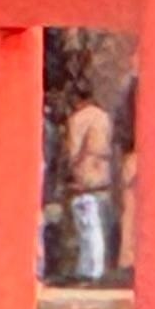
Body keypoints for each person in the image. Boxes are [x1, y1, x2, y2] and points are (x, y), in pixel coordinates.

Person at [57, 81, 116, 285]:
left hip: (86, 171)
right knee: (100, 225)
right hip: (104, 169)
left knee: (88, 227)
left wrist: (68, 170)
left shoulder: (78, 119)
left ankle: (90, 270)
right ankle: (96, 268)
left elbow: (73, 150)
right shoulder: (104, 117)